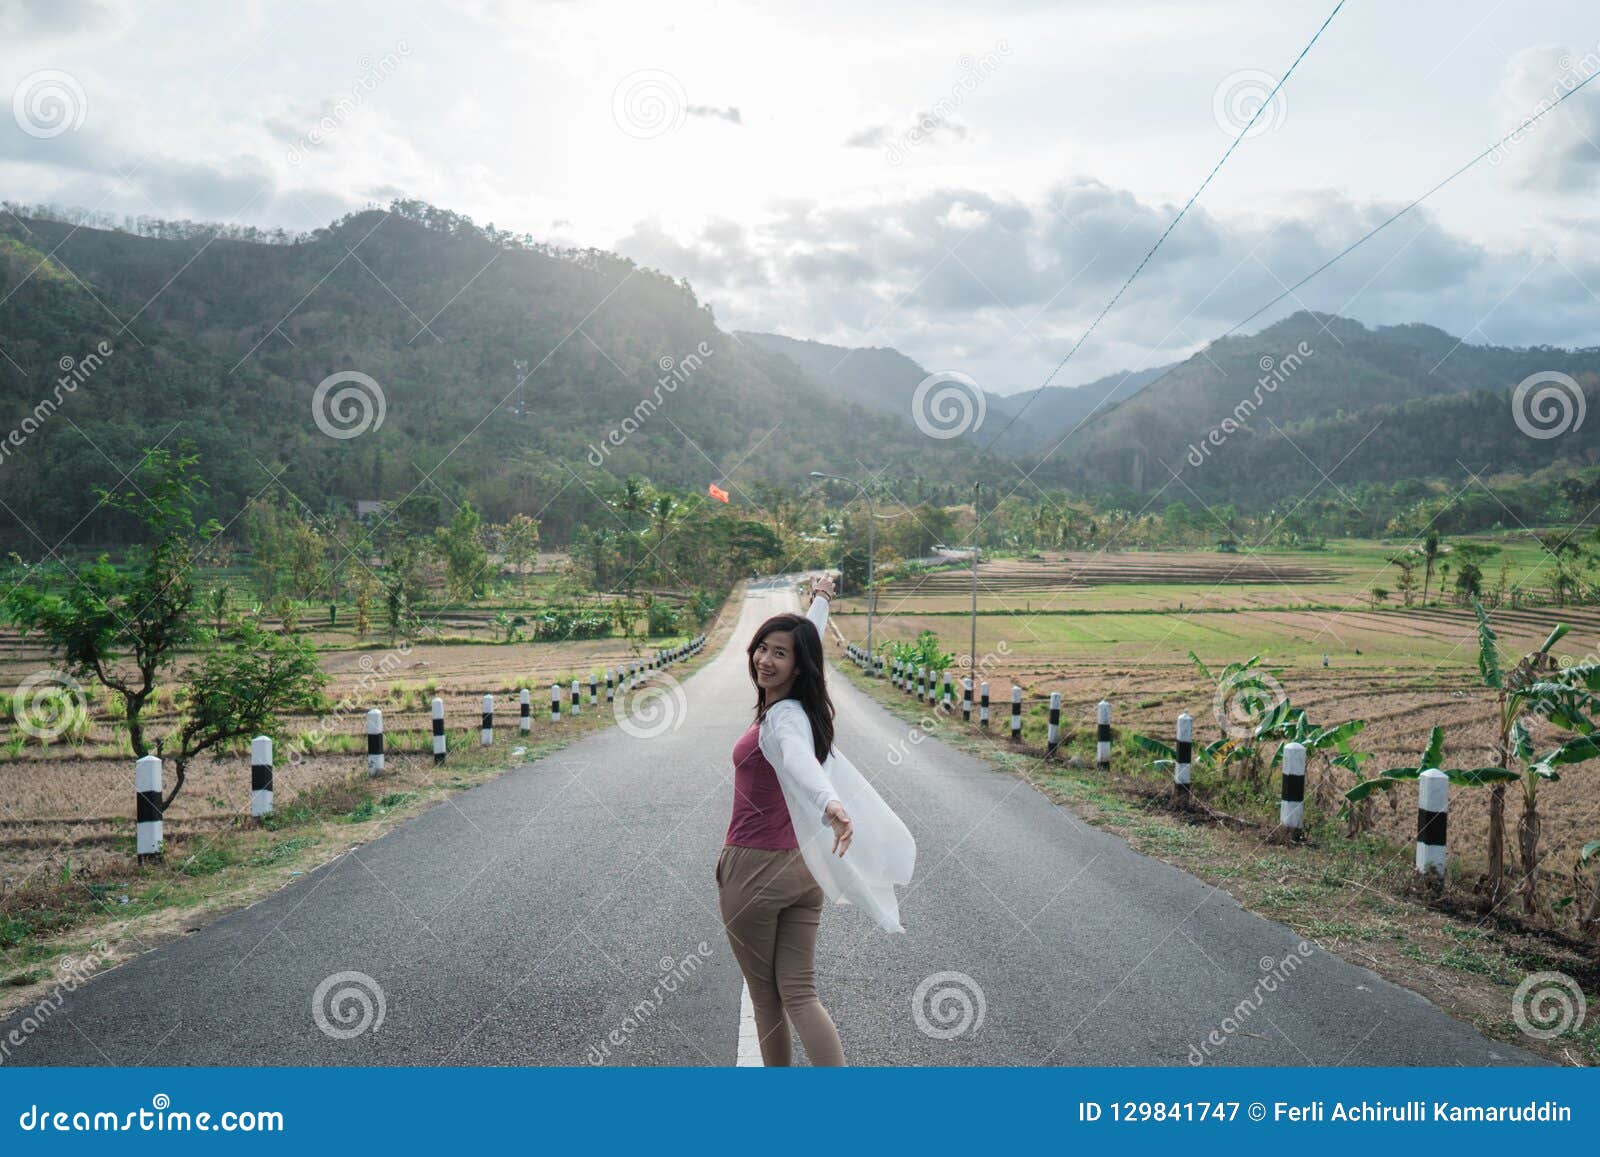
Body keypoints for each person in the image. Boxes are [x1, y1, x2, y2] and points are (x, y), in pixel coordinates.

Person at [716, 573, 915, 1066]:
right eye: (763, 647)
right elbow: (806, 639)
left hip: (755, 867)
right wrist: (820, 600)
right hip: (804, 870)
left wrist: (829, 803)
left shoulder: (784, 718)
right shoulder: (802, 708)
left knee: (767, 1000)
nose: (765, 658)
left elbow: (799, 761)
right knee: (800, 994)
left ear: (798, 668)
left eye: (779, 654)